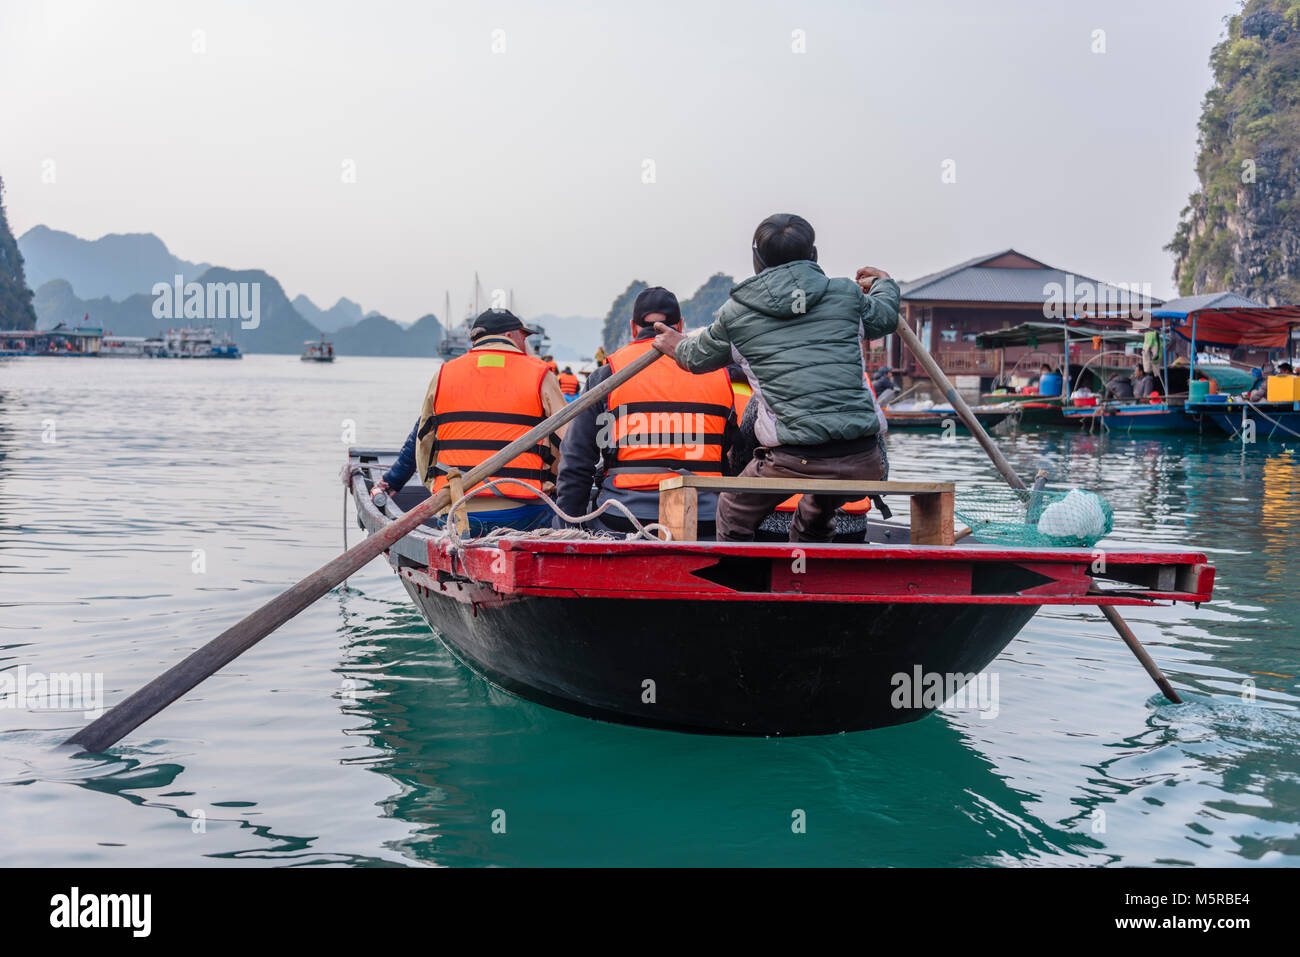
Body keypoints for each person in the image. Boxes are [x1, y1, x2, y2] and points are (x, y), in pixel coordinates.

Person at [652, 212, 899, 543]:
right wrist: (884, 283)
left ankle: (741, 582)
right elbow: (885, 317)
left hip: (794, 461)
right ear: (813, 256)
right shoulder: (846, 295)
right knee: (817, 507)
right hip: (865, 459)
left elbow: (695, 359)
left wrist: (674, 344)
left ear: (756, 261)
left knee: (732, 507)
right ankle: (804, 574)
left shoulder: (735, 316)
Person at [554, 287, 738, 538]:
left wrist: (568, 528)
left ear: (632, 327)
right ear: (680, 325)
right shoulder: (719, 372)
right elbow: (735, 454)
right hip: (704, 520)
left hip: (623, 519)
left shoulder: (608, 374)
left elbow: (577, 459)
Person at [372, 309, 568, 533]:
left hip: (456, 510)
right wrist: (553, 486)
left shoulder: (444, 375)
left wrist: (432, 488)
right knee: (563, 518)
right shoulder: (542, 375)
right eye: (524, 337)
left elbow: (422, 443)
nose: (525, 344)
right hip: (523, 512)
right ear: (509, 337)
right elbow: (569, 443)